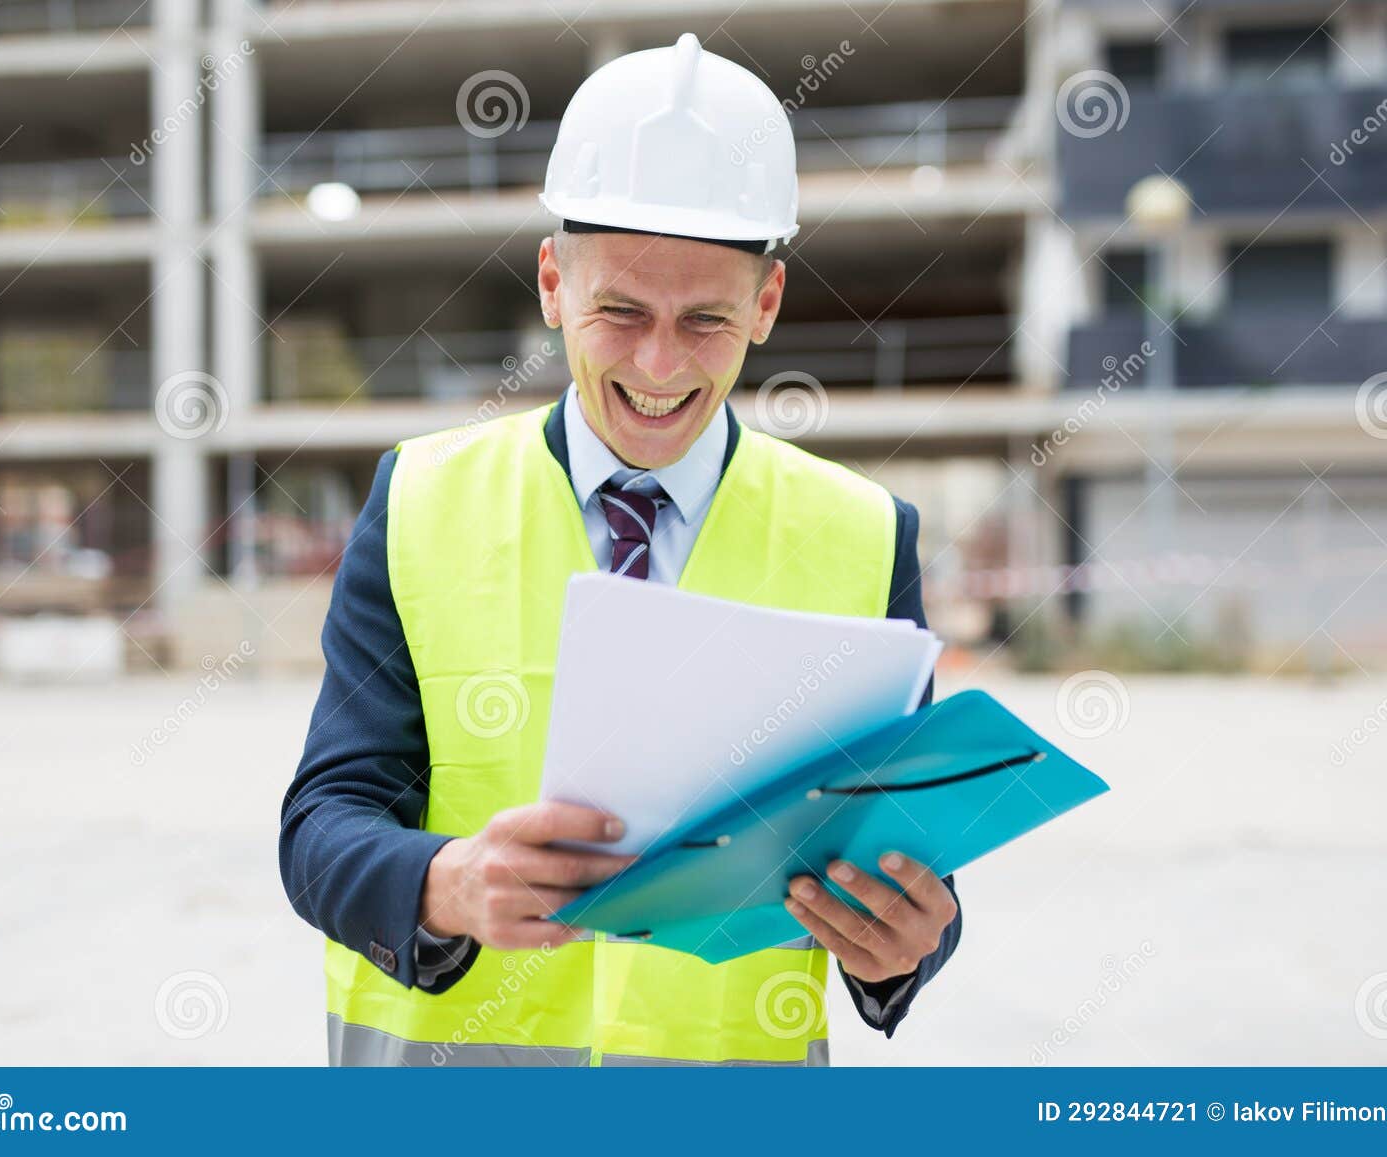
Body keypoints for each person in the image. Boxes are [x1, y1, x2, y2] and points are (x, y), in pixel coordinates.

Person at [280, 32, 961, 1068]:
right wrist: (447, 882)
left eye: (705, 321)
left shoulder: (866, 536)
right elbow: (322, 822)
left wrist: (908, 945)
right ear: (553, 284)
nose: (658, 364)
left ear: (765, 306)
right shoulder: (418, 499)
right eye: (620, 311)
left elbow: (905, 863)